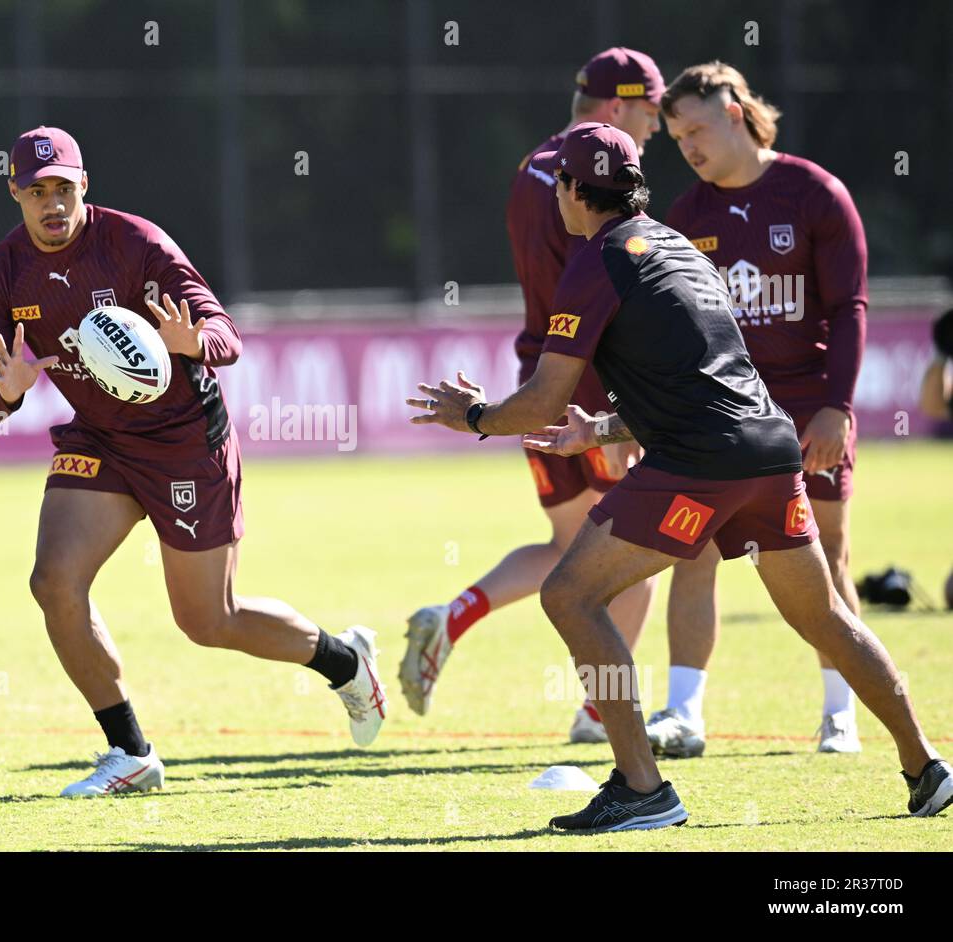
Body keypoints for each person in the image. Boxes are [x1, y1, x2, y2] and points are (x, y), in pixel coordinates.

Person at [407, 122, 951, 831]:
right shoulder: (677, 247)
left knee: (570, 595)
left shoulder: (597, 260)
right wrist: (600, 431)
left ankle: (642, 789)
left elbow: (541, 399)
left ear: (573, 190)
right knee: (825, 615)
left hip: (700, 462)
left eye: (560, 185)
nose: (556, 197)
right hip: (769, 450)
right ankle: (927, 766)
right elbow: (701, 378)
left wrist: (475, 415)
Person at [0, 126, 387, 798]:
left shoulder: (135, 244)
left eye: (64, 188)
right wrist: (5, 395)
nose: (53, 204)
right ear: (15, 193)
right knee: (54, 582)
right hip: (100, 439)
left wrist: (194, 343)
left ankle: (345, 661)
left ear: (84, 186)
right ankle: (130, 754)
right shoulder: (1, 274)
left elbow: (226, 335)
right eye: (37, 191)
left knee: (208, 621)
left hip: (184, 440)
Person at [399, 48, 664, 744]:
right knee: (636, 557)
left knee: (570, 543)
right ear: (617, 107)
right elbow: (602, 295)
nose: (658, 126)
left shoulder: (534, 168)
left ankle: (453, 616)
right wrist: (619, 417)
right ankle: (600, 714)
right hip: (589, 394)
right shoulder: (592, 180)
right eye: (651, 110)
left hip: (538, 379)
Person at [655, 62, 869, 756]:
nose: (687, 146)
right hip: (722, 411)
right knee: (690, 549)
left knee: (827, 556)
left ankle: (840, 713)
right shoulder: (685, 217)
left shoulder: (815, 193)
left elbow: (849, 308)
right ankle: (683, 714)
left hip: (808, 407)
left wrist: (836, 407)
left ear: (735, 113)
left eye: (696, 129)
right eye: (676, 137)